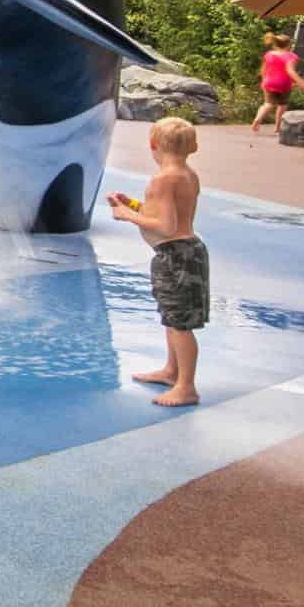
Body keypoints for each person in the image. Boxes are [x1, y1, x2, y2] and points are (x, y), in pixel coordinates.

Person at [108, 116, 207, 408]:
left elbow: (164, 226)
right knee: (172, 316)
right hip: (188, 251)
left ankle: (186, 387)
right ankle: (171, 371)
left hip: (175, 256)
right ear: (194, 146)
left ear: (152, 144)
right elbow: (172, 214)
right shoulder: (188, 174)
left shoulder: (163, 179)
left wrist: (126, 215)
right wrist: (135, 205)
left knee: (179, 323)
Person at [252, 32, 304, 135]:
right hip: (284, 83)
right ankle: (277, 128)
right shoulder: (291, 56)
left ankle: (258, 118)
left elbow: (263, 69)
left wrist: (263, 80)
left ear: (275, 44)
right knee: (282, 105)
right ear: (289, 45)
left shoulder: (269, 54)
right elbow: (290, 71)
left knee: (268, 104)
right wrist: (300, 82)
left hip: (269, 82)